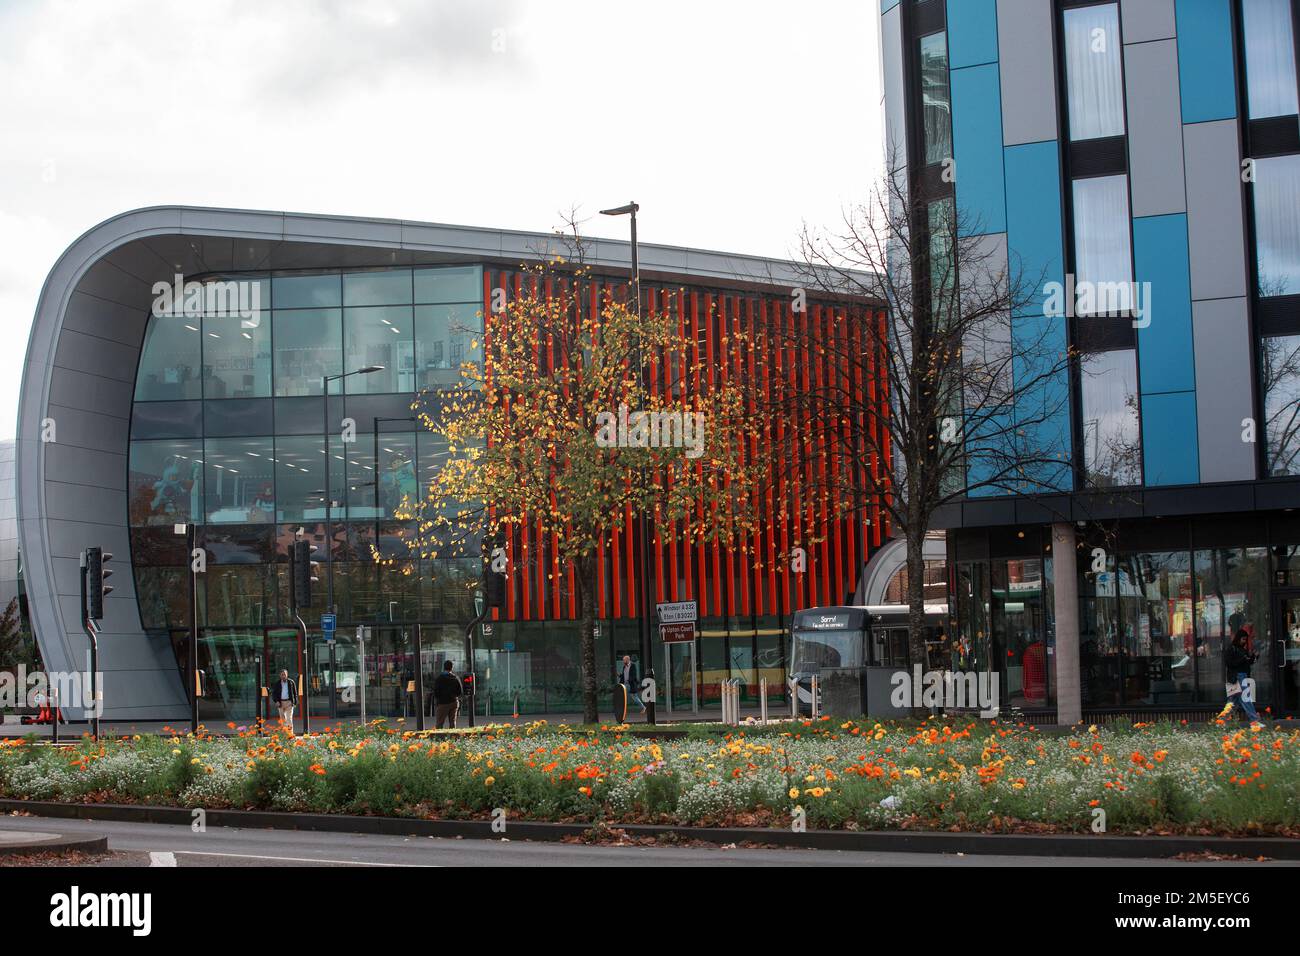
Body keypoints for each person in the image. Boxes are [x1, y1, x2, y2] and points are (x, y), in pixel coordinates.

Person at [1220, 630, 1262, 727]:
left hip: (1242, 676)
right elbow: (1229, 663)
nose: (1244, 641)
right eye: (1243, 639)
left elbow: (1247, 662)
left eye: (1245, 639)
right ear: (1238, 638)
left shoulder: (1242, 649)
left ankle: (1222, 721)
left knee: (1232, 701)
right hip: (1236, 676)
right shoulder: (1231, 649)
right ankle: (1254, 721)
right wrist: (1242, 659)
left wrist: (1253, 657)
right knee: (1245, 699)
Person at [432, 660, 463, 729]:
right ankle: (453, 738)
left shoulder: (439, 678)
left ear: (444, 667)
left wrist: (438, 700)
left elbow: (436, 692)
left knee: (439, 723)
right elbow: (460, 691)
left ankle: (439, 738)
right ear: (452, 668)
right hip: (454, 702)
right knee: (452, 723)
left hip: (443, 703)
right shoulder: (455, 678)